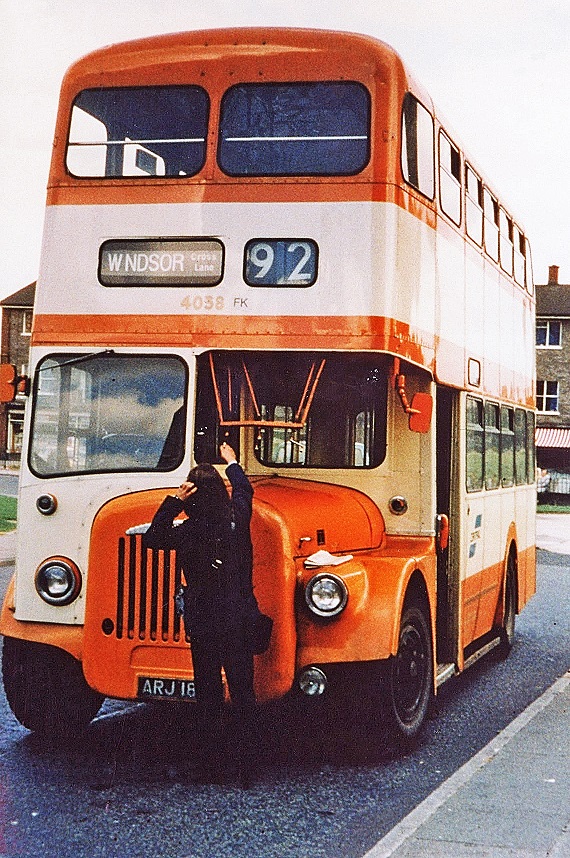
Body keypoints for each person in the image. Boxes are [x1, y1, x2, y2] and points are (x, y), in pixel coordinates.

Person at [143, 442, 257, 785]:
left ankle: (211, 766)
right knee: (242, 692)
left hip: (205, 621)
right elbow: (244, 489)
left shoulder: (188, 531)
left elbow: (152, 539)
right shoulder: (239, 517)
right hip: (238, 617)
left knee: (207, 693)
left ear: (192, 495)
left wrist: (175, 501)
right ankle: (246, 769)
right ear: (221, 493)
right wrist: (232, 462)